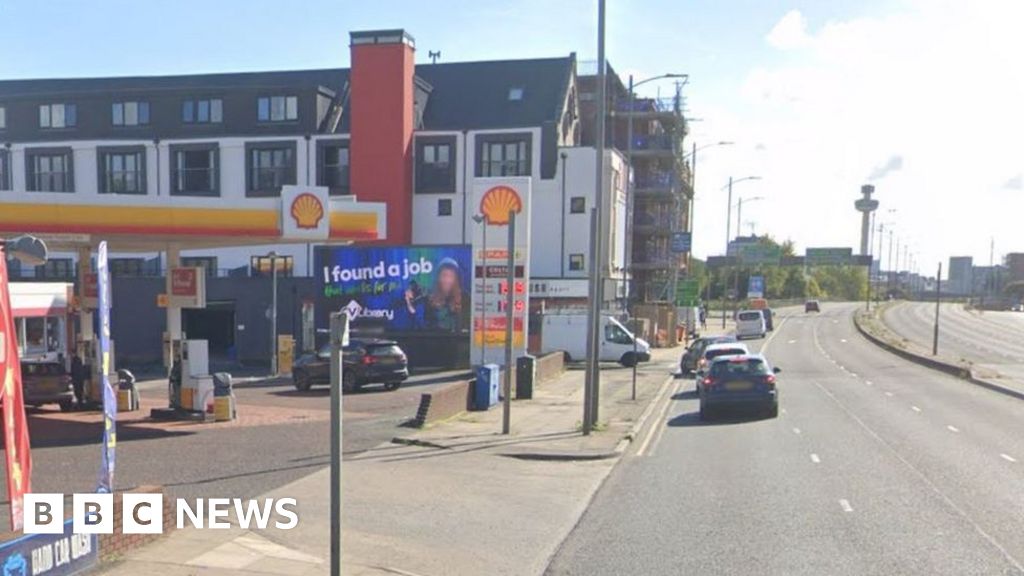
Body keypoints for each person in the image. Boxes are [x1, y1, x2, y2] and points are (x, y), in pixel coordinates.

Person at [423, 258, 466, 332]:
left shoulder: (465, 298)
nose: (447, 280)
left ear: (456, 279)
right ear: (438, 278)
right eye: (444, 275)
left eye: (451, 276)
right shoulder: (428, 300)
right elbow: (426, 328)